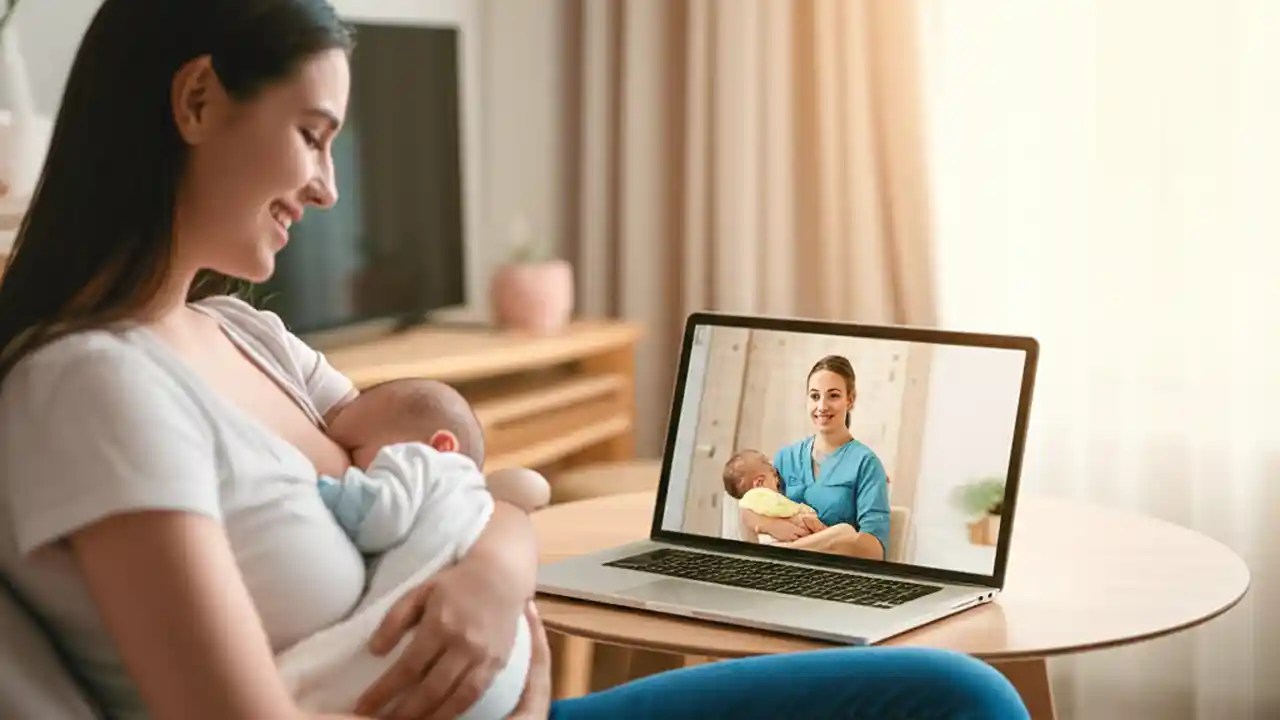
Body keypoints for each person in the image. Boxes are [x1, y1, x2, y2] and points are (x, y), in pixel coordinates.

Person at [0, 1, 1029, 718]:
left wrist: (495, 577)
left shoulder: (243, 334)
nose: (326, 189)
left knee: (950, 693)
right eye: (312, 136)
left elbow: (495, 480)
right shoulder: (93, 385)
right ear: (194, 102)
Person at [743, 355, 892, 560]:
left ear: (850, 399)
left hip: (834, 573)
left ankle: (784, 555)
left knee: (845, 533)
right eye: (814, 396)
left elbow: (875, 550)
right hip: (787, 574)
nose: (822, 406)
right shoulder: (786, 458)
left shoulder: (866, 464)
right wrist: (772, 525)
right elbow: (751, 504)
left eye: (833, 396)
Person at [722, 449, 824, 543]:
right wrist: (801, 510)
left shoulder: (748, 507)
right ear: (759, 483)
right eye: (774, 476)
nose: (778, 480)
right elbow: (786, 508)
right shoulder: (759, 498)